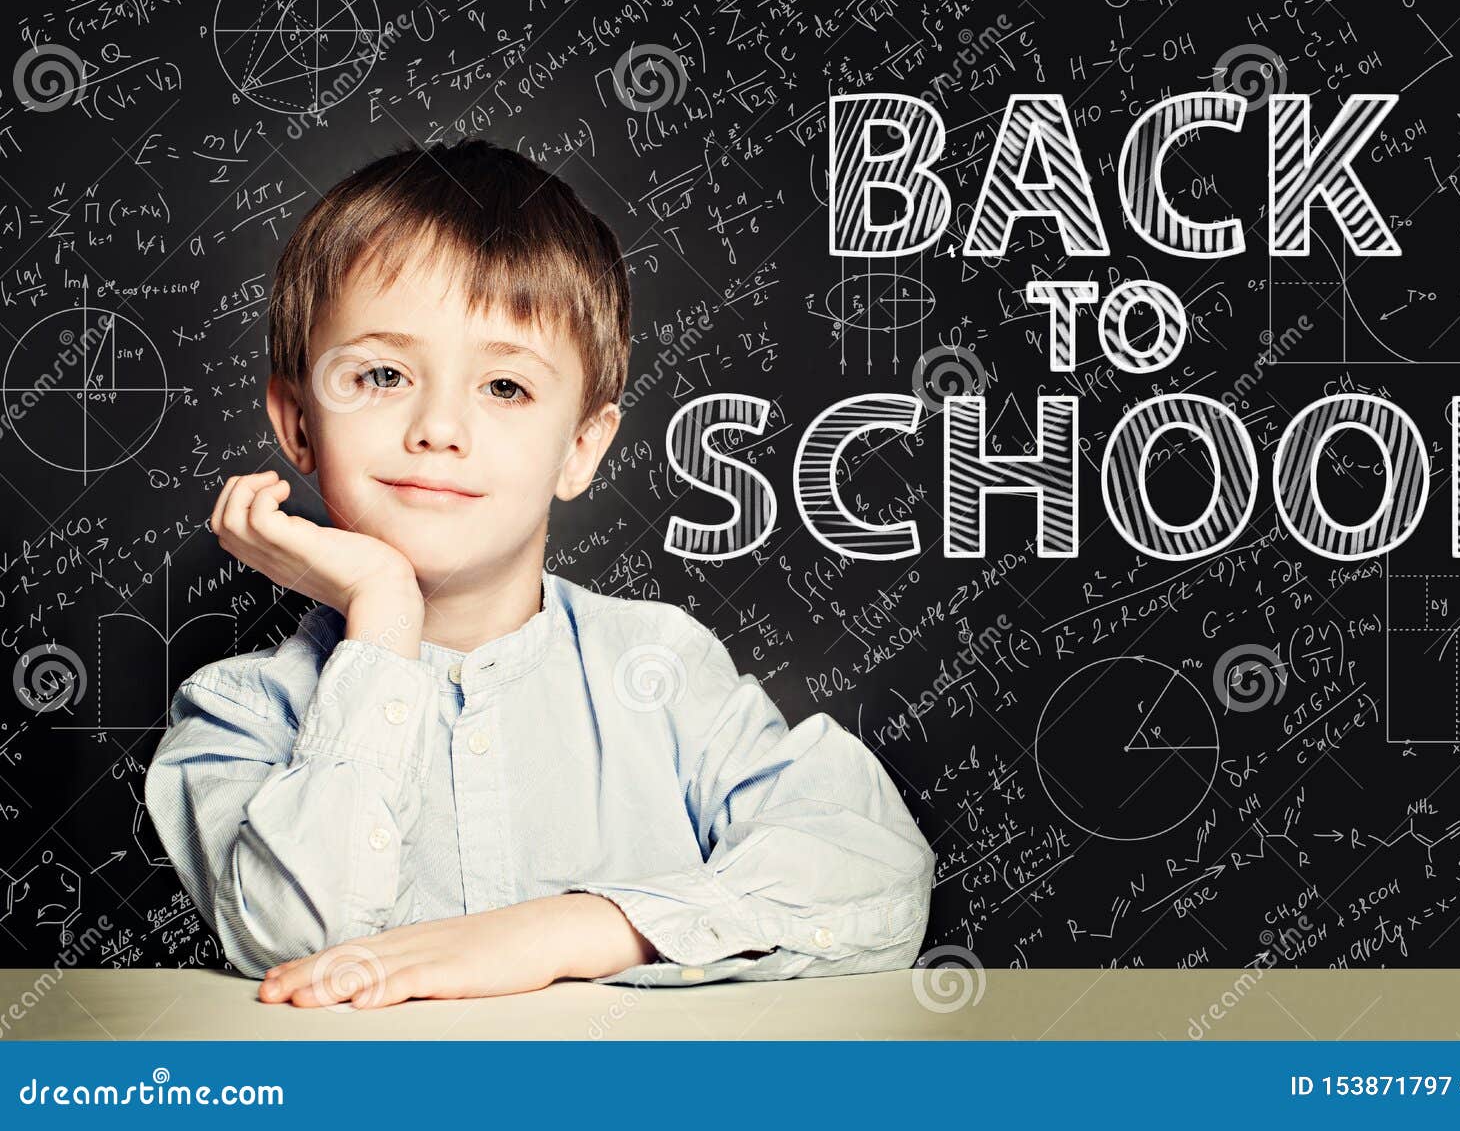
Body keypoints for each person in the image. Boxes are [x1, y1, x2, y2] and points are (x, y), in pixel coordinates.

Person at [145, 137, 936, 1009]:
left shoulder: (661, 674)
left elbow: (877, 871)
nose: (439, 426)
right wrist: (383, 609)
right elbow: (296, 939)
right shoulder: (238, 713)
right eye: (381, 373)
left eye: (507, 388)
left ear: (582, 446)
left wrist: (564, 930)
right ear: (298, 424)